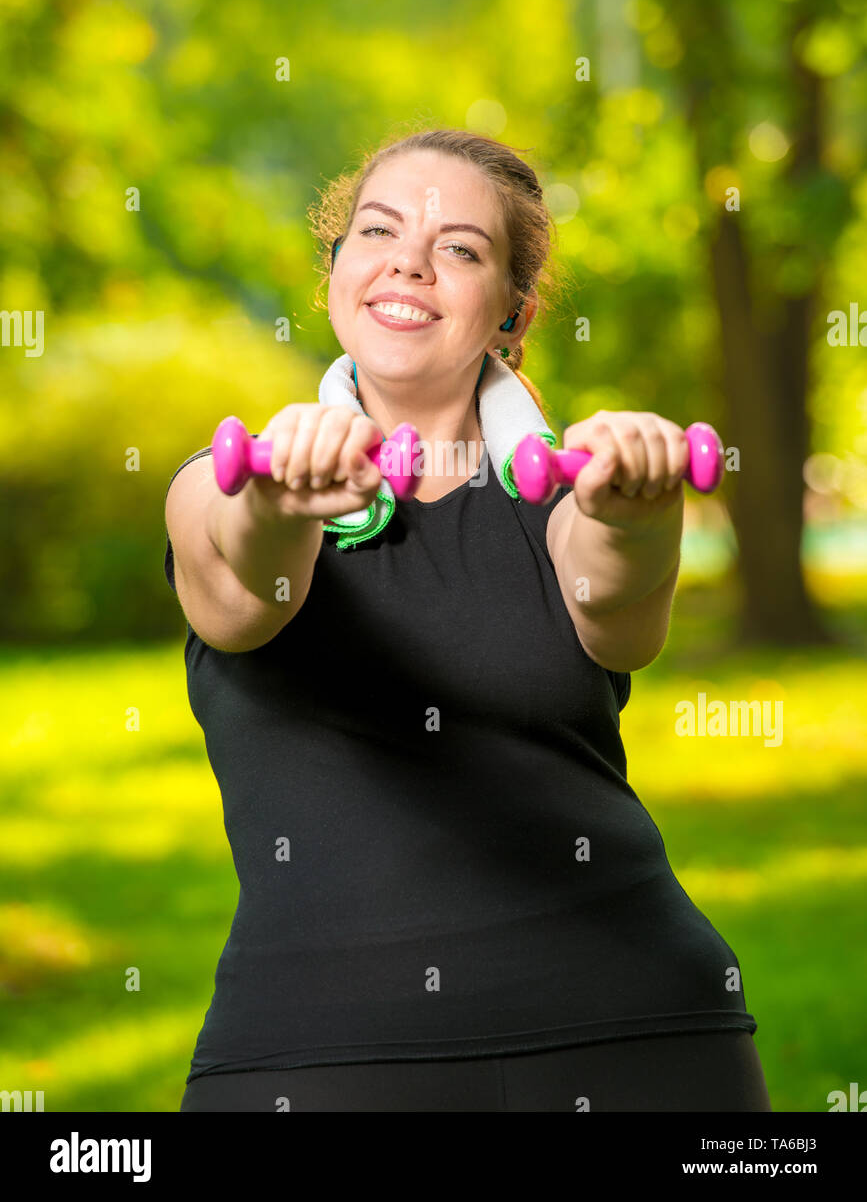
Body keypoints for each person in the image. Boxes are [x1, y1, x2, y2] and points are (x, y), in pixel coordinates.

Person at [164, 126, 772, 1112]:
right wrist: (285, 495)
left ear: (511, 314)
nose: (409, 257)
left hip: (635, 1036)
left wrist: (639, 509)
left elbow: (618, 609)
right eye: (378, 230)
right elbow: (243, 591)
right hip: (315, 1056)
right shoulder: (227, 477)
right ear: (337, 272)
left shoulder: (572, 500)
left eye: (460, 247)